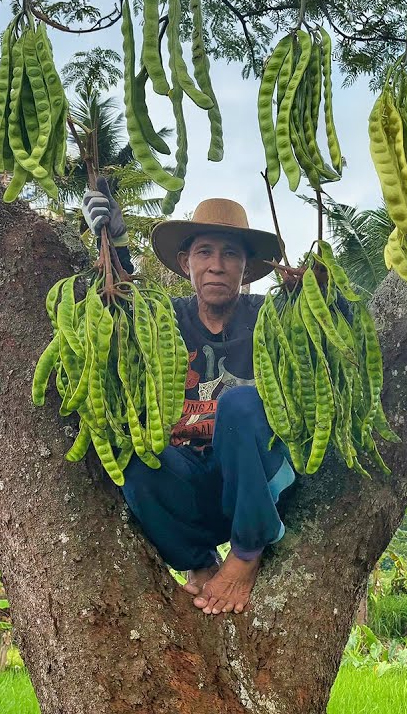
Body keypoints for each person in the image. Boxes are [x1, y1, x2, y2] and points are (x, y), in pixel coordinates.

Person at [81, 178, 293, 617]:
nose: (216, 265)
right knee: (136, 457)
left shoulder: (271, 317)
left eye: (230, 254)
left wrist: (319, 290)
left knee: (238, 403)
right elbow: (120, 307)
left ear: (246, 268)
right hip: (191, 490)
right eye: (204, 252)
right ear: (185, 262)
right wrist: (114, 245)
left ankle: (247, 552)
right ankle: (198, 563)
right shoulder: (166, 318)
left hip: (256, 484)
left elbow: (335, 336)